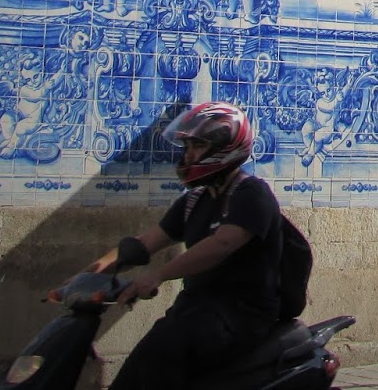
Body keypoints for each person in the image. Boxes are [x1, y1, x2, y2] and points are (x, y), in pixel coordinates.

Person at [68, 102, 282, 390]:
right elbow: (145, 244)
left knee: (164, 348)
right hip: (197, 310)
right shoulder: (194, 201)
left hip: (241, 314)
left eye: (197, 146)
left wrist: (159, 274)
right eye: (188, 146)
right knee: (137, 368)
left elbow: (222, 244)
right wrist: (88, 274)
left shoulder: (251, 194)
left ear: (225, 147)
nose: (189, 154)